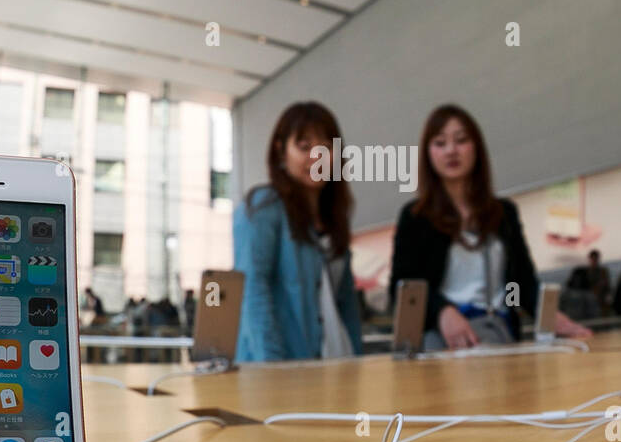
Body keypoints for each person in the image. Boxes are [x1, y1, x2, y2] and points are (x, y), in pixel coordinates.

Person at [388, 104, 591, 349]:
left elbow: (520, 282)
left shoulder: (503, 213)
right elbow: (404, 285)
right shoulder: (416, 217)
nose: (451, 150)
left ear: (477, 148)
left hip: (500, 329)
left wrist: (547, 316)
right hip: (445, 338)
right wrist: (442, 313)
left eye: (461, 140)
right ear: (428, 154)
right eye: (440, 143)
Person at [233, 101, 363, 362]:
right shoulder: (264, 207)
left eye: (326, 147)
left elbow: (346, 302)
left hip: (338, 364)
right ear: (281, 152)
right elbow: (253, 290)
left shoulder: (335, 218)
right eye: (304, 147)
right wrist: (272, 368)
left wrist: (358, 361)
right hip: (285, 370)